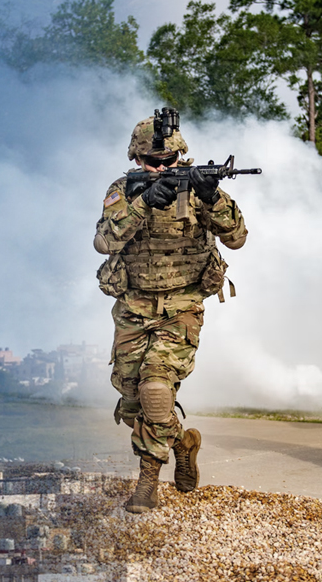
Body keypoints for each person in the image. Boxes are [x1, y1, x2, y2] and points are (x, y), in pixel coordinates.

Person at [93, 114, 247, 514]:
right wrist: (144, 202)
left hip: (182, 305)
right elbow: (104, 241)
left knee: (156, 389)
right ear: (137, 158)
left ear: (182, 155)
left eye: (171, 161)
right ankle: (182, 442)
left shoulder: (198, 189)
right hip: (133, 307)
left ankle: (146, 484)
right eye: (153, 163)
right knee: (132, 406)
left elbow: (238, 238)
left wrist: (212, 197)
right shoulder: (123, 191)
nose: (163, 169)